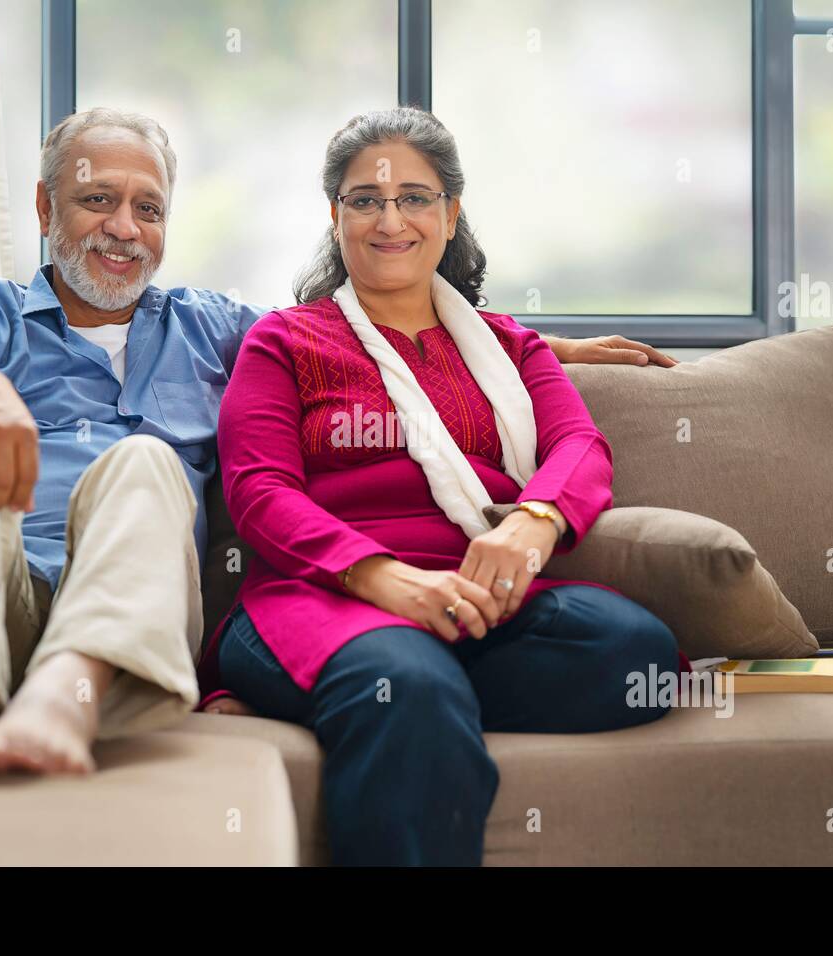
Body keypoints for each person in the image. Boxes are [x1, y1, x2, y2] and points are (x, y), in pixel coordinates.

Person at [0, 105, 673, 779]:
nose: (124, 228)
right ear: (44, 208)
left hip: (126, 617)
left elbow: (374, 336)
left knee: (144, 462)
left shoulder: (211, 328)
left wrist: (535, 349)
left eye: (148, 208)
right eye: (97, 199)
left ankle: (67, 705)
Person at [196, 106, 687, 865]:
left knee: (634, 651)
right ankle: (401, 695)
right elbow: (260, 492)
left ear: (450, 215)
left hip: (475, 595)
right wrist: (381, 578)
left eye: (415, 198)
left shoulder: (509, 347)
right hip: (320, 599)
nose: (390, 219)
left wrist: (534, 522)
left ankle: (399, 699)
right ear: (336, 218)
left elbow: (579, 447)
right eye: (365, 200)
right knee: (405, 684)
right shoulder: (285, 341)